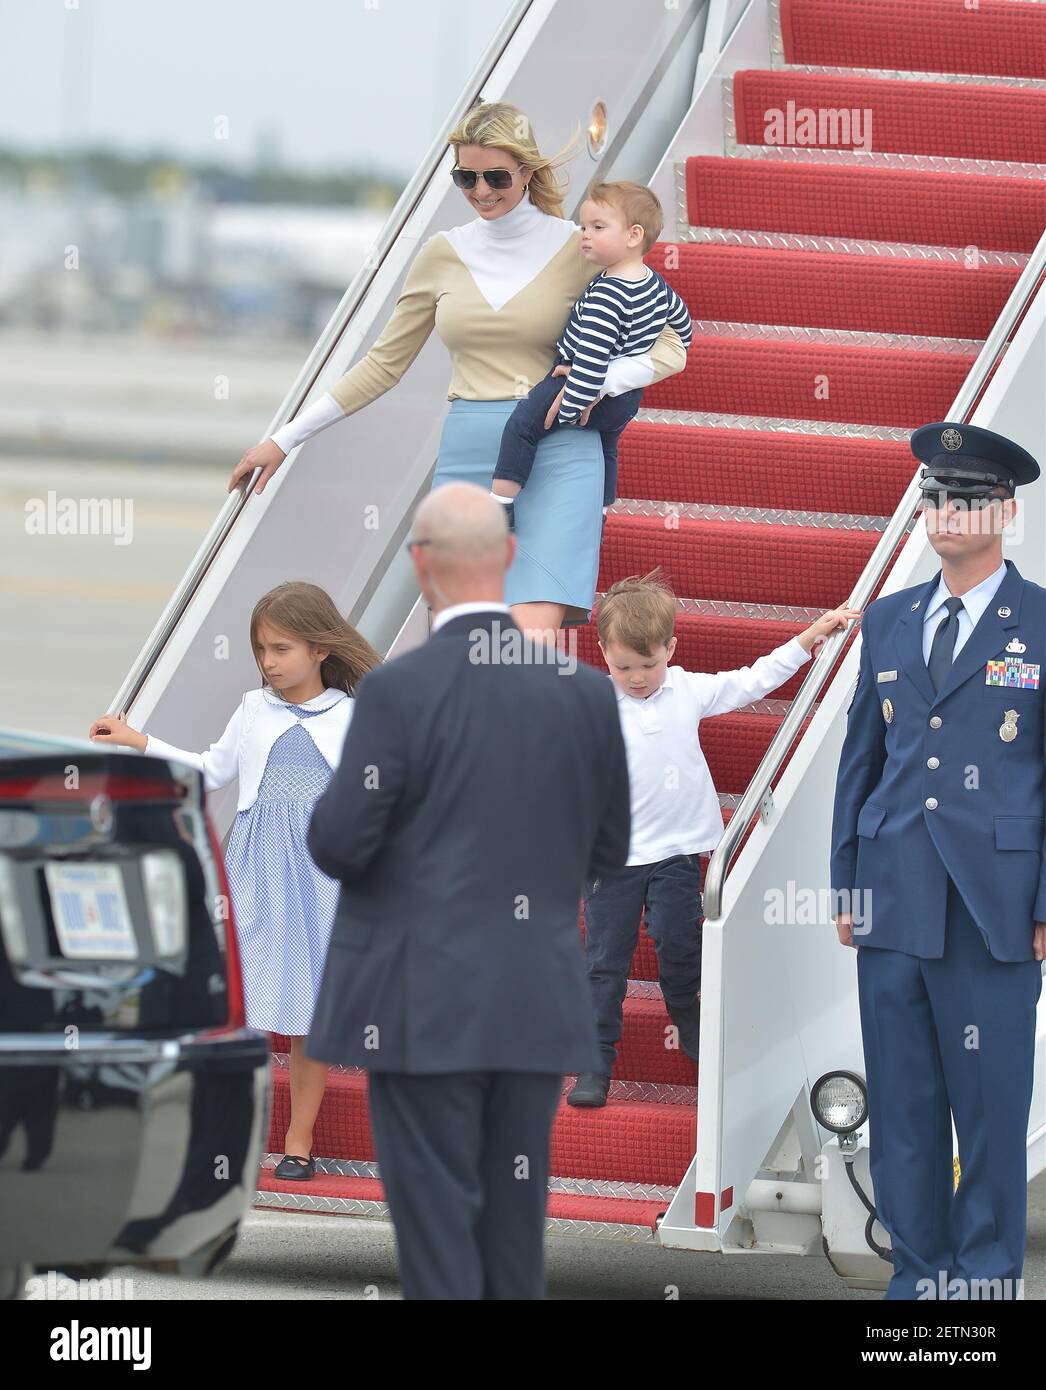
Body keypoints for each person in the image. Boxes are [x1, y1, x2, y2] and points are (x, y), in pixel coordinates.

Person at [304, 482, 631, 1299]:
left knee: (436, 1230)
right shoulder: (584, 692)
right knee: (513, 1227)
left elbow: (340, 843)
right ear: (510, 557)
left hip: (420, 1004)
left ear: (421, 566)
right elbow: (612, 847)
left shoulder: (397, 691)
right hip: (532, 997)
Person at [226, 101, 689, 643]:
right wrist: (283, 440)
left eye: (496, 176)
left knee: (519, 649)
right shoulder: (441, 254)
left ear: (527, 173)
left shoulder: (581, 247)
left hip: (562, 444)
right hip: (470, 450)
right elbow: (382, 365)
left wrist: (603, 381)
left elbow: (672, 343)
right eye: (465, 177)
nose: (481, 189)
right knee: (463, 646)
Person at [830, 421, 1046, 1301]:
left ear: (1006, 511)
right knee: (905, 1107)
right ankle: (919, 1281)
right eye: (933, 496)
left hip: (996, 902)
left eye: (964, 498)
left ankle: (985, 1285)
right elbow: (861, 761)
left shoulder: (1039, 620)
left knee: (990, 1107)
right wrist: (845, 880)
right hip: (893, 893)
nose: (944, 512)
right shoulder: (888, 619)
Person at [88, 582, 381, 1182]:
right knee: (234, 1004)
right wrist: (140, 742)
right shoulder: (253, 708)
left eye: (281, 648)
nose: (269, 663)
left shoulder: (354, 716)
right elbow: (212, 770)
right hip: (252, 868)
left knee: (307, 1013)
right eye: (260, 651)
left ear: (321, 649)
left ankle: (298, 1143)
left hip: (321, 874)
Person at [569, 568, 859, 1107]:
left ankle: (685, 1012)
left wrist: (807, 637)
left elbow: (751, 679)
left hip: (677, 851)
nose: (636, 677)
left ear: (671, 649)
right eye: (622, 666)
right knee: (605, 958)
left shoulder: (686, 690)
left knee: (680, 942)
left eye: (649, 664)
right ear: (603, 654)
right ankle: (594, 1063)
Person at [488, 180, 692, 536]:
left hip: (581, 385)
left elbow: (594, 356)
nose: (585, 235)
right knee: (607, 446)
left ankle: (500, 505)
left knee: (522, 426)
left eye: (598, 228)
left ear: (633, 236)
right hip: (626, 399)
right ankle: (599, 511)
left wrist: (569, 407)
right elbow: (683, 326)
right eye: (584, 227)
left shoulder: (607, 296)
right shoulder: (654, 283)